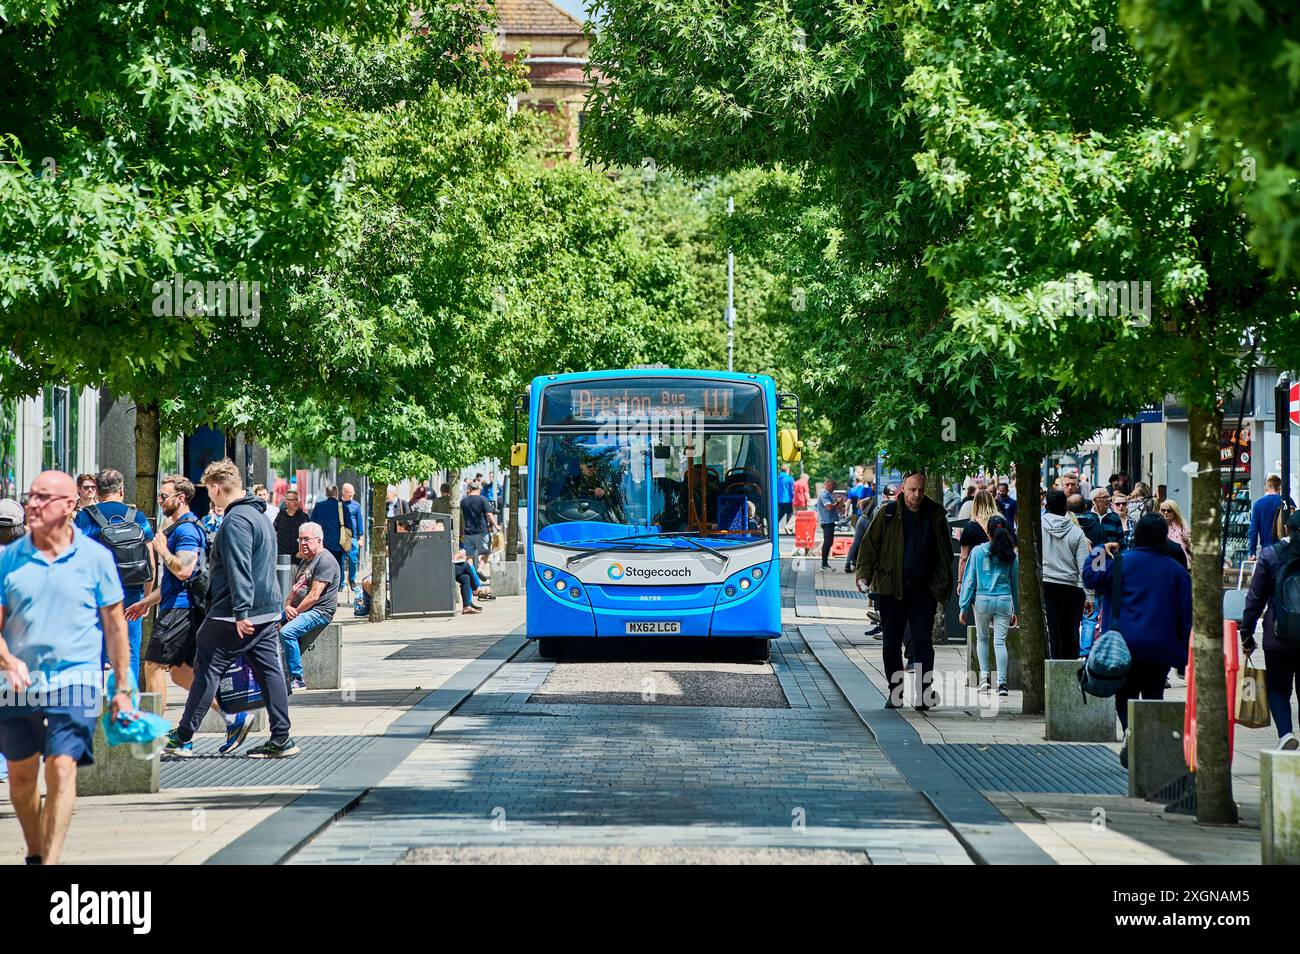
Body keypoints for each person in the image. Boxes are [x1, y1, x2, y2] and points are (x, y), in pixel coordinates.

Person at [0, 471, 135, 864]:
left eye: (44, 497)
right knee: (23, 777)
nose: (33, 504)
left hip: (75, 679)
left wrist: (122, 688)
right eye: (32, 497)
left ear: (71, 505)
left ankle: (50, 861)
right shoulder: (10, 560)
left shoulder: (96, 559)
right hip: (17, 682)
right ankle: (35, 850)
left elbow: (114, 627)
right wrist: (8, 660)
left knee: (61, 767)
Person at [164, 459, 297, 759]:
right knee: (269, 671)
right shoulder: (260, 515)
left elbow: (239, 568)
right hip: (266, 609)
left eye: (208, 490)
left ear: (215, 487)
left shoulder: (236, 521)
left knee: (206, 669)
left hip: (233, 612)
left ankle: (183, 737)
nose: (208, 497)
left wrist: (241, 612)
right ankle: (281, 738)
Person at [132, 475, 251, 754]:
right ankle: (235, 717)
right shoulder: (180, 528)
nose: (160, 500)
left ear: (181, 498)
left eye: (164, 496)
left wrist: (160, 549)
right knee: (181, 673)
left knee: (153, 667)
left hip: (180, 610)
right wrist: (146, 602)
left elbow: (184, 570)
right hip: (178, 604)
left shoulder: (186, 531)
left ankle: (156, 736)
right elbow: (175, 580)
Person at [1083, 513, 1192, 754]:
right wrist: (1185, 657)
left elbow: (1091, 578)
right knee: (1154, 693)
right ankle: (1149, 743)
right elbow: (1186, 617)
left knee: (1125, 693)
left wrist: (1100, 549)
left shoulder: (1121, 562)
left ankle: (1130, 733)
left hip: (1124, 644)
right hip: (1160, 647)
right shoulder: (1176, 571)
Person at [855, 472, 953, 710]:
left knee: (922, 643)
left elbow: (945, 553)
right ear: (903, 489)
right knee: (890, 643)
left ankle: (923, 694)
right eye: (912, 490)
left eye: (920, 490)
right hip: (891, 589)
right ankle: (895, 692)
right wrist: (863, 574)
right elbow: (870, 546)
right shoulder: (888, 514)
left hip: (923, 591)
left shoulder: (935, 515)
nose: (916, 495)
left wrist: (940, 585)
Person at [75, 468, 156, 685]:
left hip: (95, 594)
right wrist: (145, 601)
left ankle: (92, 705)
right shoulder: (137, 517)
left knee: (93, 650)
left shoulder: (83, 518)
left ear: (98, 491)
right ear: (122, 490)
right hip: (131, 594)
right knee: (129, 650)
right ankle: (127, 704)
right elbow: (150, 562)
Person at [1240, 510, 1300, 749]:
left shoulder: (1270, 556)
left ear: (1286, 529)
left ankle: (1286, 734)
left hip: (1278, 635)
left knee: (1278, 687)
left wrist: (1246, 633)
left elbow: (1255, 599)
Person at [959, 513, 1020, 695]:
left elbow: (970, 581)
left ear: (988, 532)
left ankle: (984, 679)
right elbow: (1015, 583)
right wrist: (1016, 609)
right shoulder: (1011, 554)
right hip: (1004, 600)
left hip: (982, 601)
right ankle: (1002, 683)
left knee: (983, 638)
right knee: (1000, 642)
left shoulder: (978, 552)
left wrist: (963, 606)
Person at [280, 522, 340, 691]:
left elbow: (314, 596)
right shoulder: (307, 561)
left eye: (306, 539)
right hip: (299, 609)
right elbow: (295, 589)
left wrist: (295, 612)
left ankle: (297, 678)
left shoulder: (325, 560)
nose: (302, 543)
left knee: (287, 632)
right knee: (267, 623)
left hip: (319, 611)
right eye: (300, 540)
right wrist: (287, 607)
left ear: (319, 540)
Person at [1040, 489, 1092, 660]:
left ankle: (1052, 668)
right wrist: (1089, 595)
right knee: (1070, 633)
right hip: (1070, 588)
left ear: (1046, 506)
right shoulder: (1076, 532)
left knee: (1051, 633)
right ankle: (1069, 672)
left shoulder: (1038, 528)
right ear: (1065, 508)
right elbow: (1085, 566)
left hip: (1046, 585)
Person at [309, 485, 361, 596]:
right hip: (339, 542)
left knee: (322, 564)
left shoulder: (319, 506)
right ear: (337, 493)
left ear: (326, 494)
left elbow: (312, 524)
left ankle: (323, 585)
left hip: (322, 543)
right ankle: (339, 585)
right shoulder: (342, 507)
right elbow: (349, 526)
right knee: (339, 564)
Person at [957, 489, 996, 590]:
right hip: (999, 577)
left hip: (977, 579)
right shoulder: (1003, 524)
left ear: (975, 505)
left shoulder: (970, 527)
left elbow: (963, 558)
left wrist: (960, 582)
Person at [460, 480, 500, 577]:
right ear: (478, 489)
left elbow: (462, 517)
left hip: (468, 532)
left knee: (469, 556)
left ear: (469, 489)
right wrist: (496, 526)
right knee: (486, 553)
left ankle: (471, 574)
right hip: (481, 531)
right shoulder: (483, 499)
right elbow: (489, 515)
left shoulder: (463, 501)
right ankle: (479, 569)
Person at [1249, 474, 1288, 559]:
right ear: (1279, 487)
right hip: (1284, 551)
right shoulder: (1286, 501)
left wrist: (1252, 552)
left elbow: (1253, 530)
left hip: (1266, 551)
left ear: (1267, 487)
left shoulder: (1258, 504)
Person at [339, 483, 366, 597]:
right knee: (340, 561)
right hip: (341, 536)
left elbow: (359, 521)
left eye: (352, 492)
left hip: (353, 537)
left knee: (353, 560)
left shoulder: (356, 505)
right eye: (349, 492)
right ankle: (341, 582)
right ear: (343, 492)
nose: (351, 494)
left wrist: (362, 537)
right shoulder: (338, 505)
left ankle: (352, 580)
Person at [274, 488, 310, 565]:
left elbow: (310, 537)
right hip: (282, 558)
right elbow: (273, 532)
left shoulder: (304, 517)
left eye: (297, 500)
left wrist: (303, 551)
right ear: (286, 502)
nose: (295, 502)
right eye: (292, 500)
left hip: (299, 559)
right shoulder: (280, 516)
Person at [816, 478, 841, 570]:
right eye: (833, 487)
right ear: (828, 485)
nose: (834, 489)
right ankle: (824, 564)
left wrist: (838, 503)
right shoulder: (824, 494)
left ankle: (825, 563)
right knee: (827, 542)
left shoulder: (828, 494)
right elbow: (829, 507)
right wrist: (837, 502)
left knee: (829, 542)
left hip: (830, 521)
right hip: (826, 521)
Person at [777, 464, 795, 533]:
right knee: (789, 514)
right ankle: (788, 528)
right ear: (787, 470)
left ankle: (774, 527)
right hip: (788, 500)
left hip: (779, 500)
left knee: (780, 514)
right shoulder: (789, 478)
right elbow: (792, 489)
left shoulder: (777, 478)